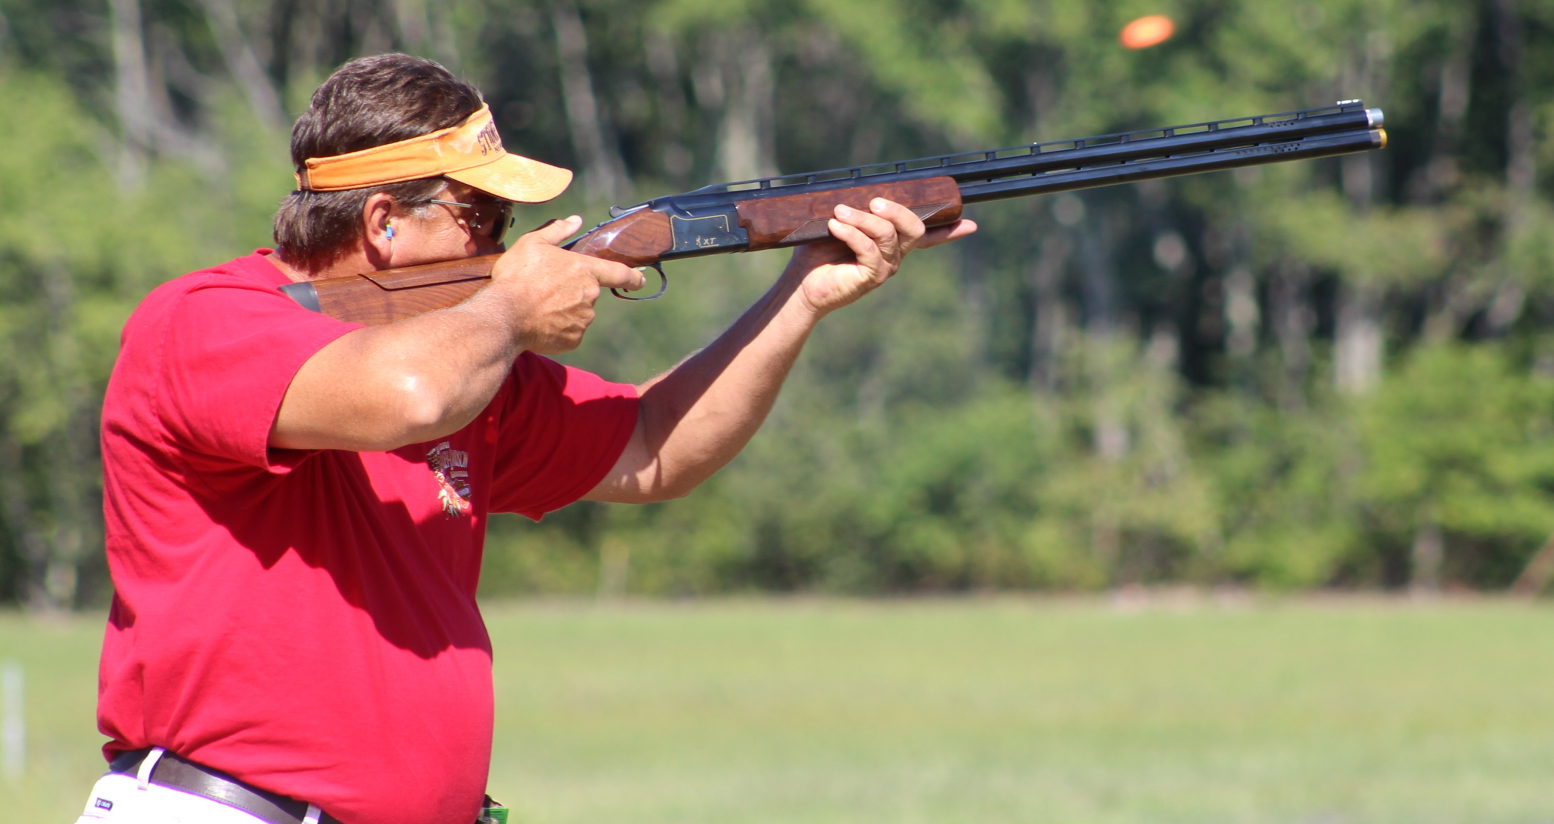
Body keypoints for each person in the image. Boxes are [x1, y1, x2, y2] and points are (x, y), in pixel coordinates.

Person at [77, 53, 974, 824]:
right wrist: (512, 306)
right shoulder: (204, 324)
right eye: (482, 218)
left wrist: (801, 295)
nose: (504, 244)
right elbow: (410, 395)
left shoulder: (474, 366)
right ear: (385, 223)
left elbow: (655, 448)